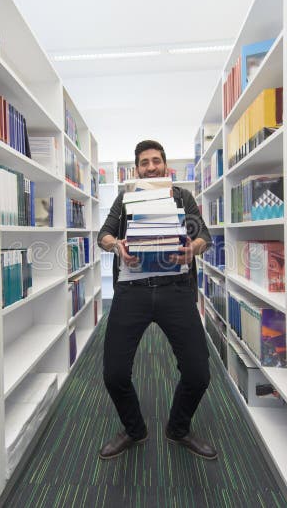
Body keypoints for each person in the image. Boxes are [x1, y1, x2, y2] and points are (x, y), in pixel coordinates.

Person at [96, 139, 217, 460]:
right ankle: (134, 429)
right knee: (114, 374)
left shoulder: (183, 197)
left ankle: (178, 428)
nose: (151, 167)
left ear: (165, 166)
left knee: (198, 373)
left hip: (175, 290)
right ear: (136, 169)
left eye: (156, 161)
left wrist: (193, 249)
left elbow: (205, 235)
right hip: (131, 292)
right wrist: (116, 246)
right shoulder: (125, 200)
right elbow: (102, 235)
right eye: (144, 163)